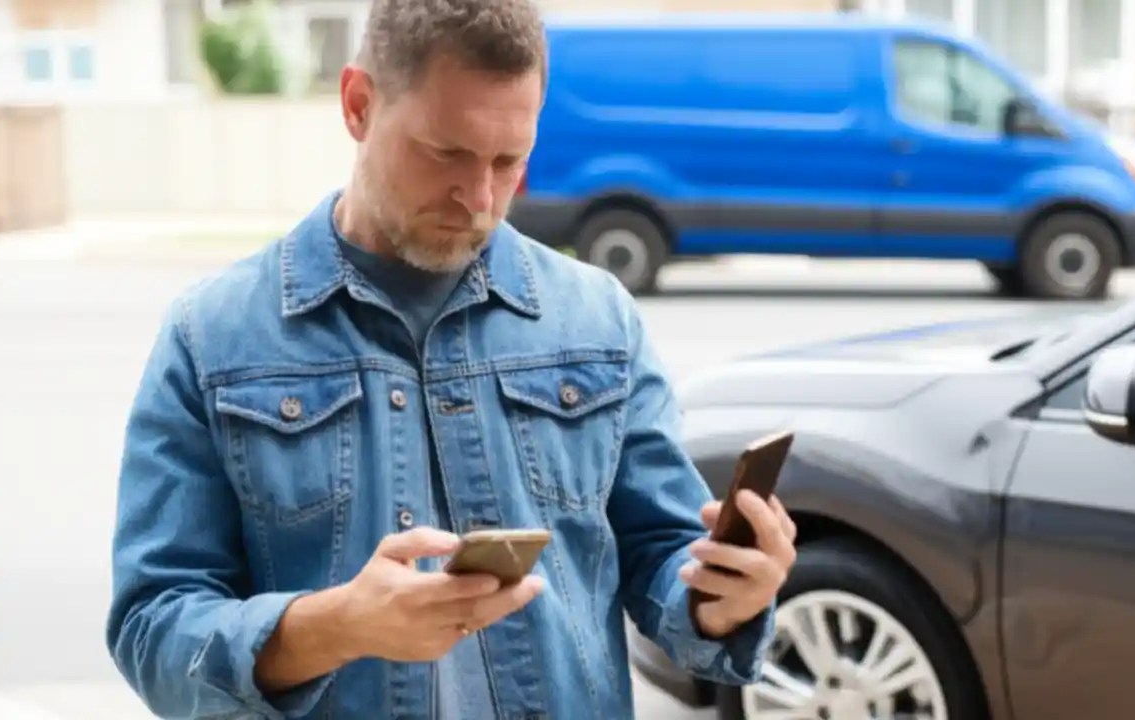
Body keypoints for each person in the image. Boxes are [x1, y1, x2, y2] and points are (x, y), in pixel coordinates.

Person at [105, 0, 797, 718]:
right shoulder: (212, 334)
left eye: (510, 161)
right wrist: (333, 627)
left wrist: (724, 597)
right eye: (447, 154)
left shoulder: (598, 318)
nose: (479, 198)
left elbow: (662, 554)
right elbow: (152, 624)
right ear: (357, 104)